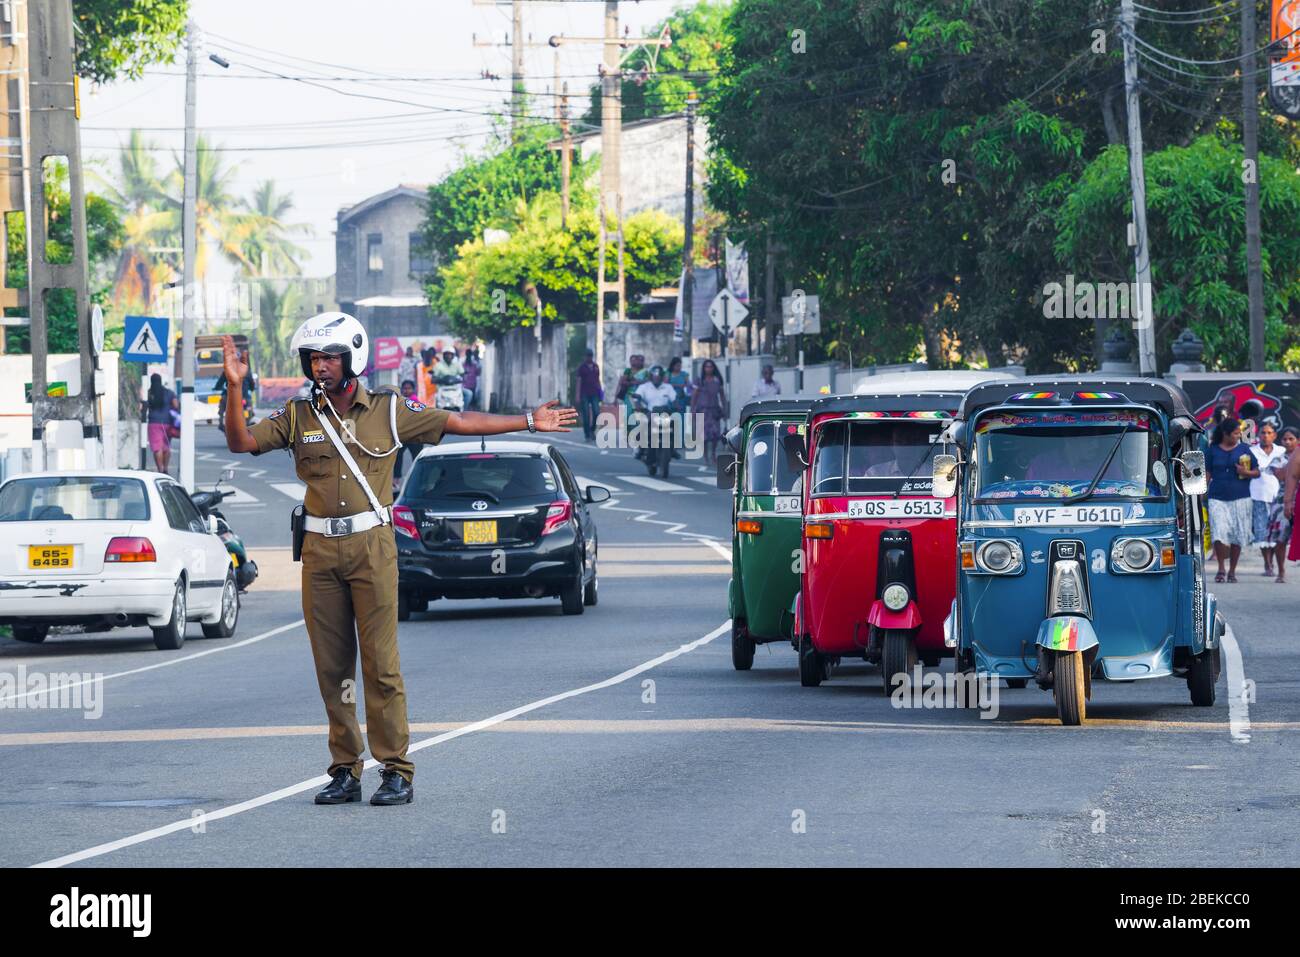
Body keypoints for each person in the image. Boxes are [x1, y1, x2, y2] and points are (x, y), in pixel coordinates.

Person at [219, 315, 577, 807]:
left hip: (372, 546)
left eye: (330, 358)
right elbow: (241, 442)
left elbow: (458, 422)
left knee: (381, 665)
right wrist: (233, 387)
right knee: (332, 668)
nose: (320, 367)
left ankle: (395, 769)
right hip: (319, 551)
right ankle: (345, 769)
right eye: (314, 359)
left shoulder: (389, 409)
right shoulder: (299, 416)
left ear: (352, 359)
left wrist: (528, 422)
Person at [1206, 417, 1258, 584]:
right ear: (1225, 433)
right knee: (1218, 533)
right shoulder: (1213, 450)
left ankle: (1232, 571)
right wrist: (1200, 492)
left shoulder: (1244, 449)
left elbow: (1257, 472)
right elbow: (1207, 473)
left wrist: (1246, 472)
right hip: (1217, 497)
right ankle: (1221, 568)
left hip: (1241, 498)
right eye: (1235, 433)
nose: (1239, 436)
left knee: (1238, 535)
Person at [1249, 422, 1288, 577]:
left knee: (1274, 532)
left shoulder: (1281, 451)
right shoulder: (1252, 451)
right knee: (1261, 531)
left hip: (1277, 497)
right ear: (1259, 435)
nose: (1266, 436)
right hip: (1257, 495)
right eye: (1263, 433)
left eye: (1269, 433)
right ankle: (1267, 563)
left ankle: (1274, 563)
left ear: (1274, 435)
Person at [1265, 426, 1298, 583]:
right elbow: (1280, 475)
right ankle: (1281, 571)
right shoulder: (1278, 459)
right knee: (1280, 538)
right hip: (1282, 501)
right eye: (1285, 439)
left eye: (1291, 439)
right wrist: (1293, 463)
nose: (1288, 442)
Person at [691, 358, 727, 465]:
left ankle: (713, 454)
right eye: (707, 366)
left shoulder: (717, 380)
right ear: (704, 368)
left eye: (710, 366)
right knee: (704, 437)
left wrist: (725, 409)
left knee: (715, 435)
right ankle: (706, 455)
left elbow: (722, 396)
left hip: (714, 411)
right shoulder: (699, 380)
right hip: (702, 410)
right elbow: (694, 396)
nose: (709, 369)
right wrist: (693, 410)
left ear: (713, 368)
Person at [392, 380, 424, 490]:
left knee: (417, 457)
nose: (406, 390)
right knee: (398, 456)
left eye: (409, 388)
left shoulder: (414, 401)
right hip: (404, 434)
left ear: (413, 389)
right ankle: (396, 480)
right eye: (404, 388)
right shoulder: (399, 400)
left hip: (415, 434)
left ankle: (418, 479)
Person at [144, 373, 178, 473]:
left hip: (153, 423)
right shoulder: (169, 393)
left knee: (157, 448)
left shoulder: (149, 393)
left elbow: (143, 406)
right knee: (166, 446)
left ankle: (160, 469)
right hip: (167, 423)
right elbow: (176, 405)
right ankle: (166, 468)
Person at [574, 348, 602, 441]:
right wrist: (577, 395)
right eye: (587, 356)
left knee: (596, 412)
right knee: (586, 414)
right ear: (585, 357)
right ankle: (587, 434)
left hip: (595, 393)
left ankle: (592, 430)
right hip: (584, 393)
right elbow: (579, 381)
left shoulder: (596, 366)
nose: (589, 357)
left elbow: (598, 380)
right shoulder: (582, 367)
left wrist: (600, 392)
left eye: (590, 355)